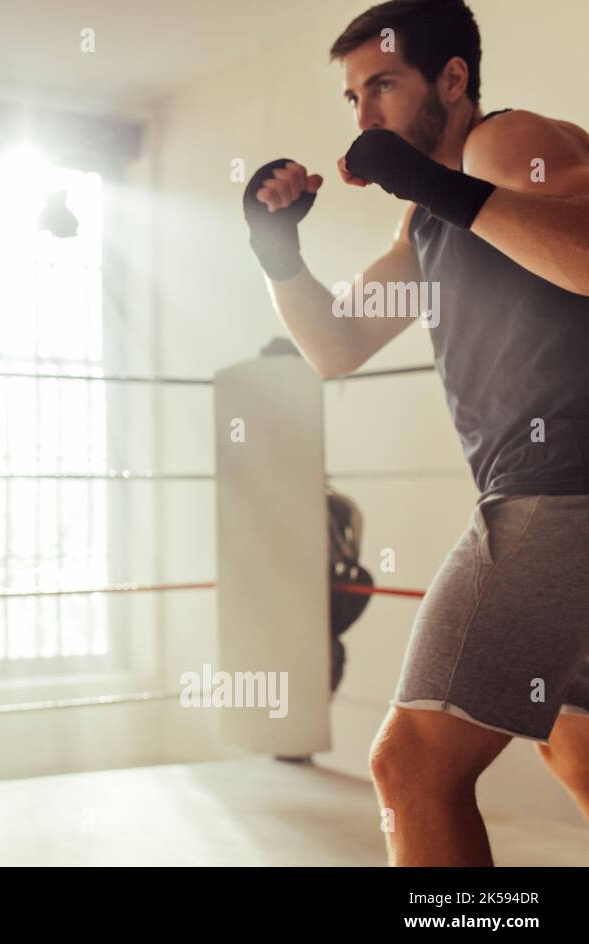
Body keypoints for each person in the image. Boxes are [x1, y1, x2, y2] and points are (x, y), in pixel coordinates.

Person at [242, 0, 589, 865]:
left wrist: (432, 181)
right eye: (353, 97)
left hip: (558, 490)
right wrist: (278, 251)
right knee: (575, 744)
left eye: (383, 86)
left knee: (407, 766)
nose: (364, 116)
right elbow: (337, 345)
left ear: (454, 80)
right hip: (556, 495)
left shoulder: (499, 146)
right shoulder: (426, 219)